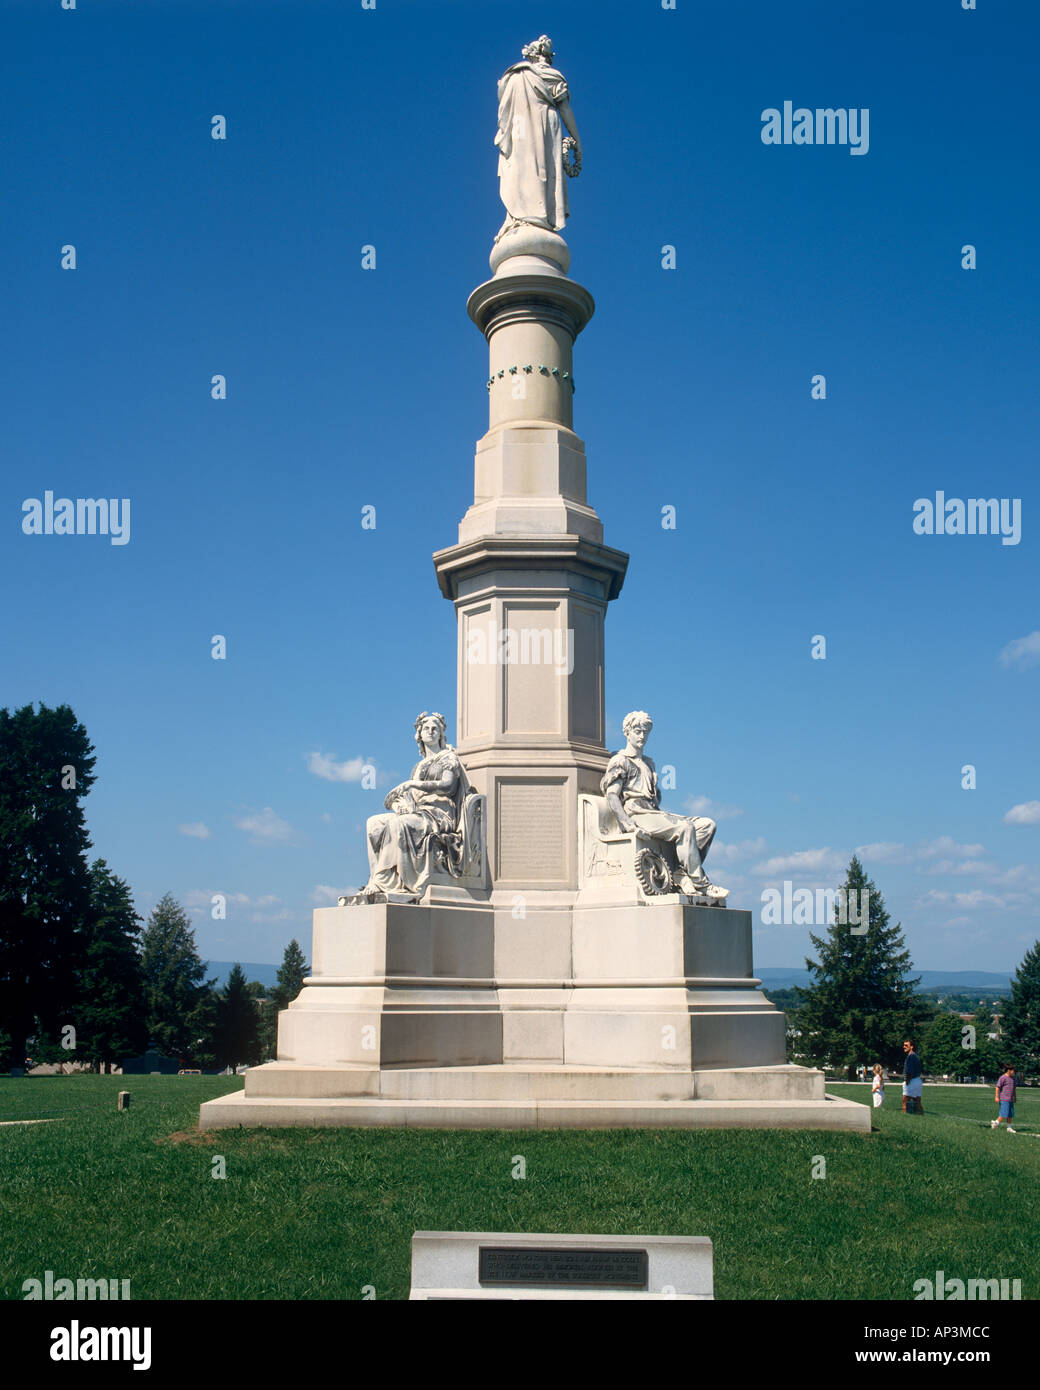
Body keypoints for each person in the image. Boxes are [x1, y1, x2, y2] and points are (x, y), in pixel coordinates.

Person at [601, 710, 726, 899]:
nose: (642, 736)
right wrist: (627, 823)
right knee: (684, 828)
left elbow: (655, 800)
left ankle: (681, 871)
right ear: (627, 732)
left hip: (653, 812)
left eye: (646, 731)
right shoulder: (620, 760)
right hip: (637, 813)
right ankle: (701, 883)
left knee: (707, 825)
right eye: (637, 731)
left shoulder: (649, 763)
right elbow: (612, 796)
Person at [358, 712, 477, 900]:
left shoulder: (448, 758)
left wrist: (413, 784)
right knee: (374, 823)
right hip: (418, 812)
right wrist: (400, 804)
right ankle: (377, 879)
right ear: (419, 734)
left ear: (441, 734)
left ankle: (384, 879)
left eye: (435, 729)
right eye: (426, 729)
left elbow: (448, 786)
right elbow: (410, 796)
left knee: (398, 825)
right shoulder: (418, 766)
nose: (430, 732)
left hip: (439, 814)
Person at [494, 35, 582, 241]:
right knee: (539, 167)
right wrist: (577, 141)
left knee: (522, 167)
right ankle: (536, 215)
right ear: (548, 57)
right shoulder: (551, 76)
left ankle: (524, 215)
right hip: (541, 127)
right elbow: (565, 109)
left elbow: (503, 113)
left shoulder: (515, 76)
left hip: (520, 132)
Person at [991, 1065, 1016, 1133]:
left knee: (1010, 1114)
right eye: (1013, 1070)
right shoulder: (1003, 1077)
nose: (1014, 1072)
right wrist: (996, 1097)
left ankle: (1009, 1128)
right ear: (1008, 1070)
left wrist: (1015, 1097)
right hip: (1004, 1099)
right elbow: (997, 1087)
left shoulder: (1013, 1079)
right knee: (1004, 1113)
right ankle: (996, 1123)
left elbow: (1014, 1089)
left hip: (1010, 1099)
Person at [902, 1039, 923, 1114]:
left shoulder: (910, 1057)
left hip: (911, 1081)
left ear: (911, 1047)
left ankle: (904, 1116)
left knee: (904, 1102)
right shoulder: (915, 1056)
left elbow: (909, 1071)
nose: (904, 1047)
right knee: (917, 1102)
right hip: (917, 1080)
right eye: (904, 1045)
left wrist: (907, 1081)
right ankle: (921, 1115)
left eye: (906, 1045)